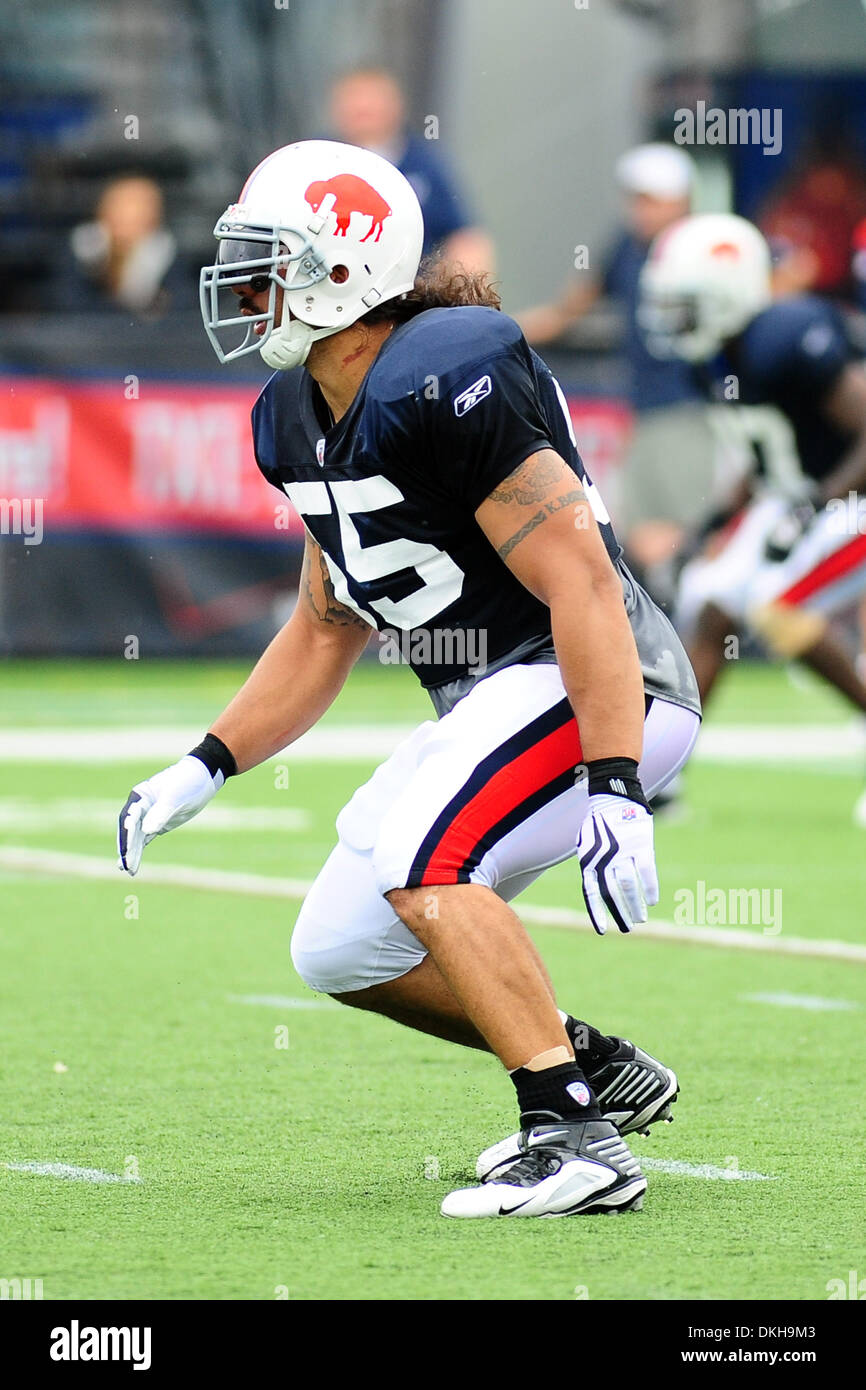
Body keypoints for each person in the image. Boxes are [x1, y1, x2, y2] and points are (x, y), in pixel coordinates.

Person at [121, 140, 701, 1219]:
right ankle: (589, 1064)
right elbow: (322, 622)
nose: (246, 288)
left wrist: (617, 782)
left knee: (425, 858)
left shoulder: (446, 368)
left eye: (269, 261)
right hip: (494, 699)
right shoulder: (293, 414)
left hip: (597, 682)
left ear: (342, 270)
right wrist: (208, 761)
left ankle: (571, 1136)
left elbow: (579, 585)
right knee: (337, 946)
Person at [640, 212, 866, 822]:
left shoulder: (785, 334)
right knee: (710, 606)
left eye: (684, 304)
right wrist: (713, 522)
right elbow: (760, 448)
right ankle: (662, 774)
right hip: (796, 498)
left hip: (849, 499)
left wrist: (813, 506)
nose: (672, 318)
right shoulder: (714, 356)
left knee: (778, 605)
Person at [517, 143, 719, 598]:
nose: (639, 210)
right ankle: (674, 625)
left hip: (688, 409)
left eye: (650, 199)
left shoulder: (700, 248)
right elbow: (572, 306)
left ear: (681, 200)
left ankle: (696, 628)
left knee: (686, 528)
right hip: (644, 409)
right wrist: (505, 331)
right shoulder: (628, 248)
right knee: (646, 531)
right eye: (636, 199)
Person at [328, 65, 494, 274]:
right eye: (354, 98)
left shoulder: (425, 165)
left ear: (396, 106)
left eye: (374, 98)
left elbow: (466, 240)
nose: (363, 107)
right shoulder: (313, 160)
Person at [59, 175, 191, 317]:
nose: (132, 215)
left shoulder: (168, 255)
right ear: (103, 210)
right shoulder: (80, 251)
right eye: (124, 205)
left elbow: (181, 307)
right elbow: (68, 305)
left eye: (142, 206)